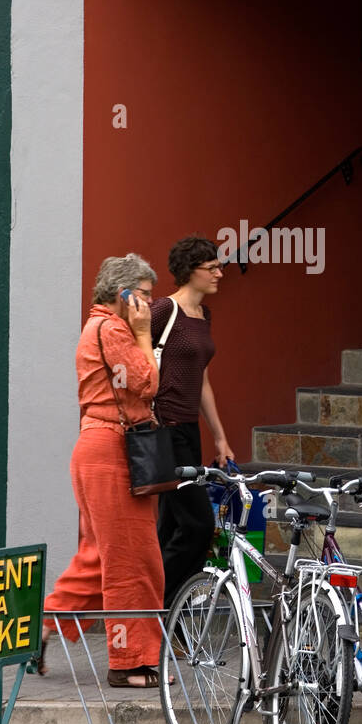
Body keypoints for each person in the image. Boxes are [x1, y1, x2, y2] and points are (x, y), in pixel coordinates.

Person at [39, 254, 167, 688]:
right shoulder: (113, 329)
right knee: (131, 559)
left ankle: (39, 629)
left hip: (101, 448)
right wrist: (146, 333)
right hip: (112, 451)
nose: (151, 303)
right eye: (146, 295)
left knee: (100, 555)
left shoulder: (99, 327)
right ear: (124, 295)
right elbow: (148, 383)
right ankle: (129, 662)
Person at [151, 235, 235, 607]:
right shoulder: (164, 311)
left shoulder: (205, 315)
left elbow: (202, 380)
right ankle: (160, 607)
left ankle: (162, 618)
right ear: (190, 272)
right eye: (212, 267)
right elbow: (132, 357)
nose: (220, 273)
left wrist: (219, 437)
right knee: (198, 526)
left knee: (171, 527)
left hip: (188, 430)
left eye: (220, 265)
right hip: (162, 430)